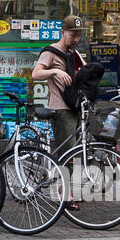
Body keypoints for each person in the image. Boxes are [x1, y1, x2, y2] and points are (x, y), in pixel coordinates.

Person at [32, 15, 88, 152]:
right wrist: (55, 71)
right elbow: (35, 74)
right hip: (61, 110)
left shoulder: (74, 53)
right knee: (68, 154)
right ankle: (61, 174)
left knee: (79, 152)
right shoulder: (50, 52)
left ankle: (70, 174)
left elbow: (85, 70)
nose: (76, 39)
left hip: (76, 108)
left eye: (79, 36)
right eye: (73, 35)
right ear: (62, 32)